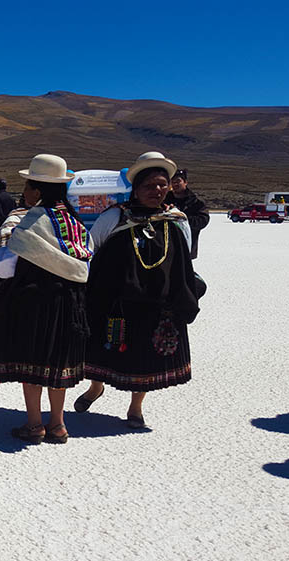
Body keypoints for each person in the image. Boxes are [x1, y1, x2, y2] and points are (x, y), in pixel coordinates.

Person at [74, 151, 201, 429]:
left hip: (158, 303)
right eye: (148, 186)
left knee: (145, 358)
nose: (156, 191)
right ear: (136, 189)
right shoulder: (115, 217)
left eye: (161, 185)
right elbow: (90, 249)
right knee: (102, 349)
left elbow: (183, 261)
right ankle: (96, 388)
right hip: (114, 301)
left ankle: (136, 407)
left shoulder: (176, 219)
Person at [0, 155, 93, 444]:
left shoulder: (33, 220)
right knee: (58, 360)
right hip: (69, 301)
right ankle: (58, 424)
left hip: (33, 299)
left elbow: (4, 266)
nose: (25, 191)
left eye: (28, 186)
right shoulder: (74, 222)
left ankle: (34, 424)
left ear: (37, 190)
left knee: (31, 360)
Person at [165, 169, 210, 259]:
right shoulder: (164, 199)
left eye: (178, 181)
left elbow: (202, 221)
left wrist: (181, 218)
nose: (175, 184)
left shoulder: (196, 202)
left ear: (185, 182)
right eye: (172, 182)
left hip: (187, 247)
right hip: (165, 248)